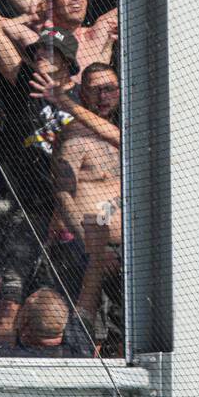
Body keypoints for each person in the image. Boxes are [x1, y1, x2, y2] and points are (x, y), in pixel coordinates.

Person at [53, 63, 123, 356]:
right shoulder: (74, 137)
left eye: (110, 89)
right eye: (95, 90)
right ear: (82, 93)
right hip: (88, 249)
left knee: (123, 333)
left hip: (123, 250)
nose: (103, 96)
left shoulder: (125, 131)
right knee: (87, 333)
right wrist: (91, 246)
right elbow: (63, 196)